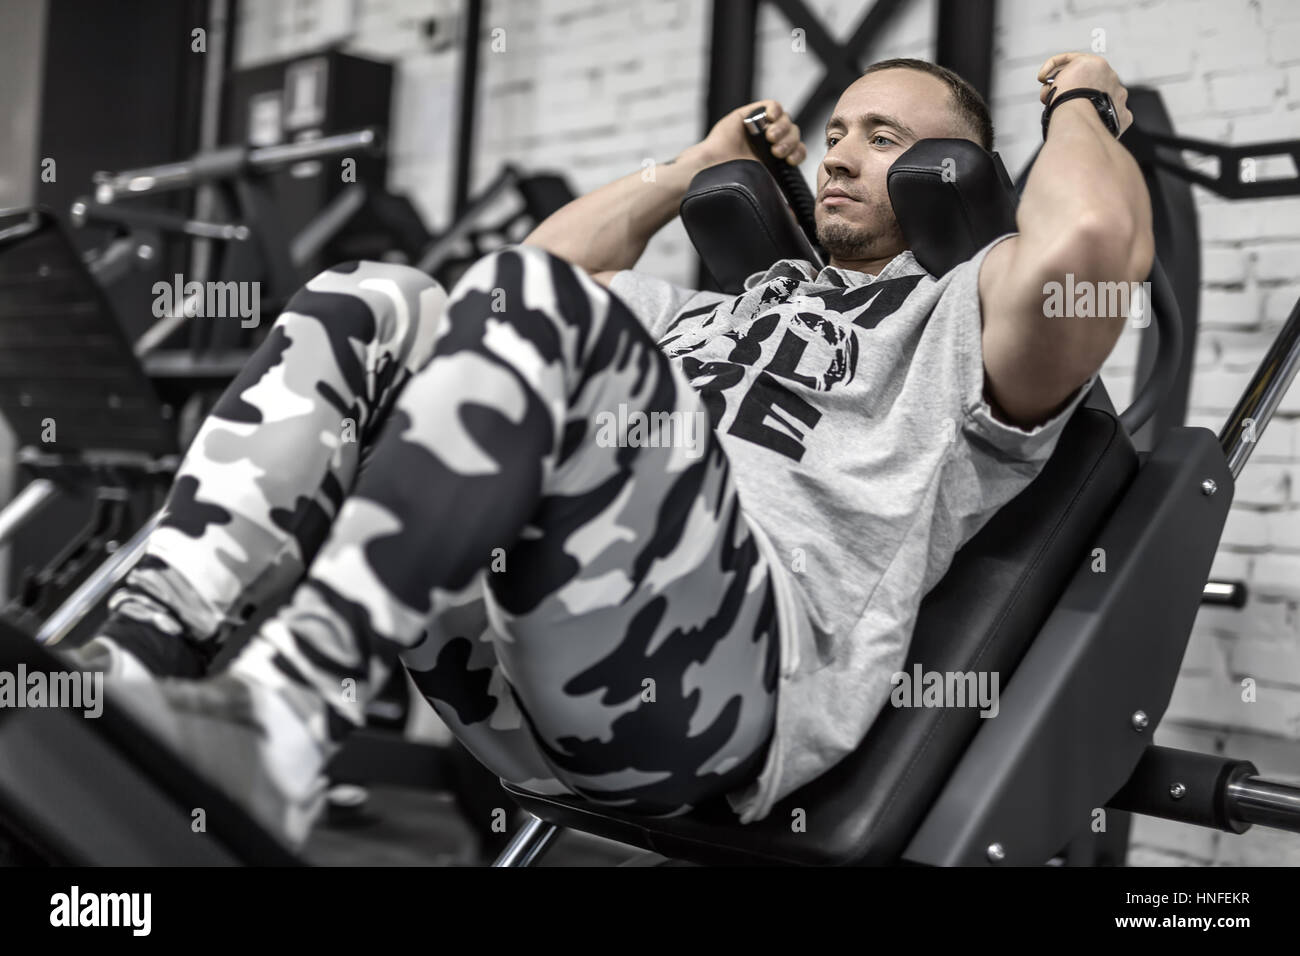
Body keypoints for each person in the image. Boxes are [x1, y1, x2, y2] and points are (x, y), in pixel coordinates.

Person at [66, 52, 1153, 850]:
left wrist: (1086, 101)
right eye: (837, 132)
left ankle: (287, 711)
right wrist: (694, 165)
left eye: (888, 139)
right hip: (526, 668)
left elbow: (1092, 244)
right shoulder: (722, 308)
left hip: (720, 690)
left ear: (955, 172)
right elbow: (518, 280)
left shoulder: (959, 324)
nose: (841, 155)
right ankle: (141, 652)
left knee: (530, 308)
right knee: (377, 298)